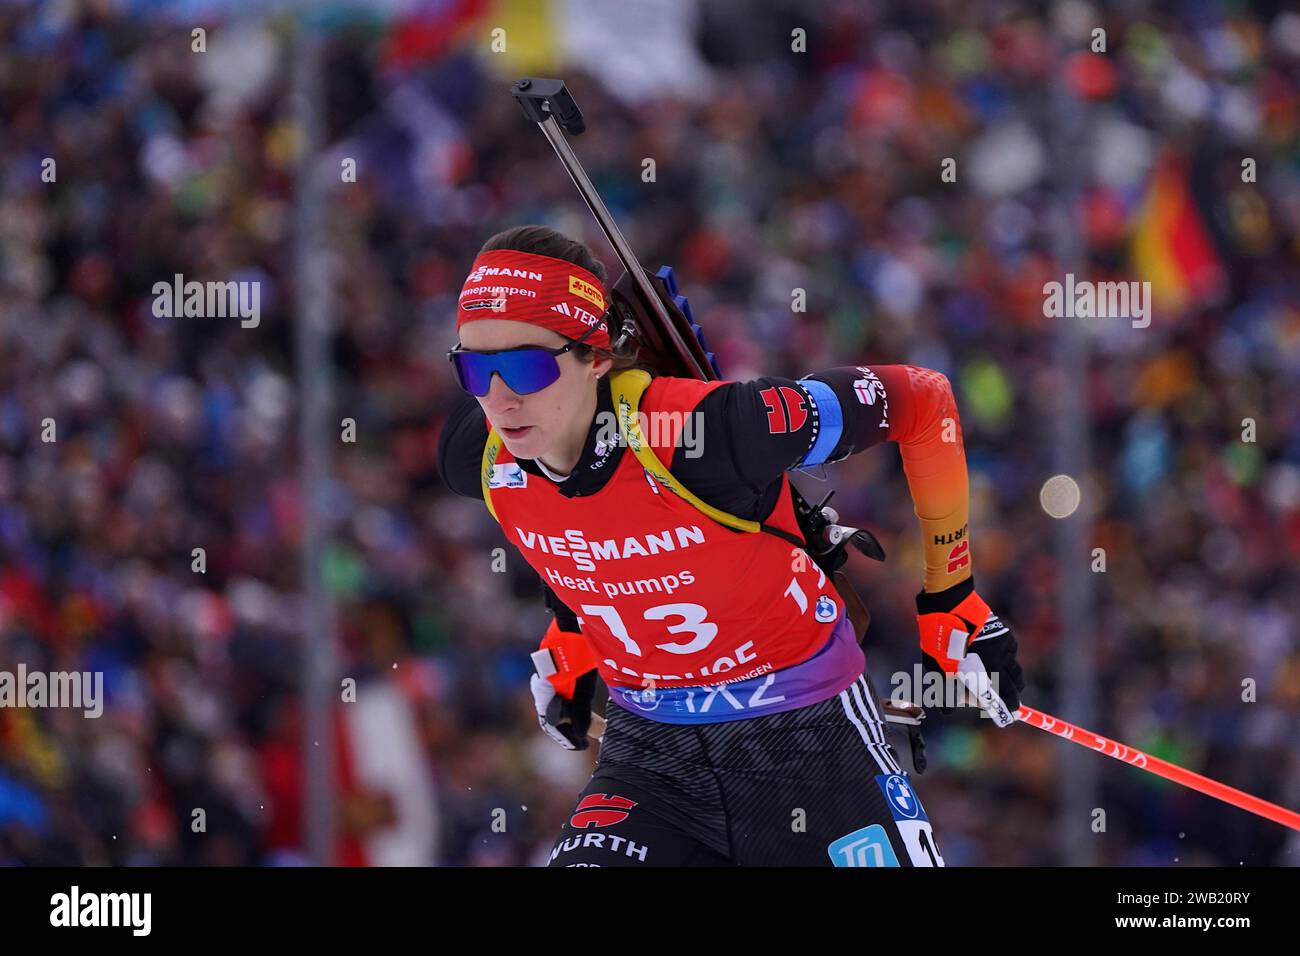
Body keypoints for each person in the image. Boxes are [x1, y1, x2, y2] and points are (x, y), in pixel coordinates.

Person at [436, 224, 1026, 866]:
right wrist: (572, 636)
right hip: (652, 761)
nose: (498, 397)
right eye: (474, 366)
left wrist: (952, 596)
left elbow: (923, 399)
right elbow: (573, 526)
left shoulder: (707, 433)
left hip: (808, 744)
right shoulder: (481, 455)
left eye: (524, 365)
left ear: (597, 356)